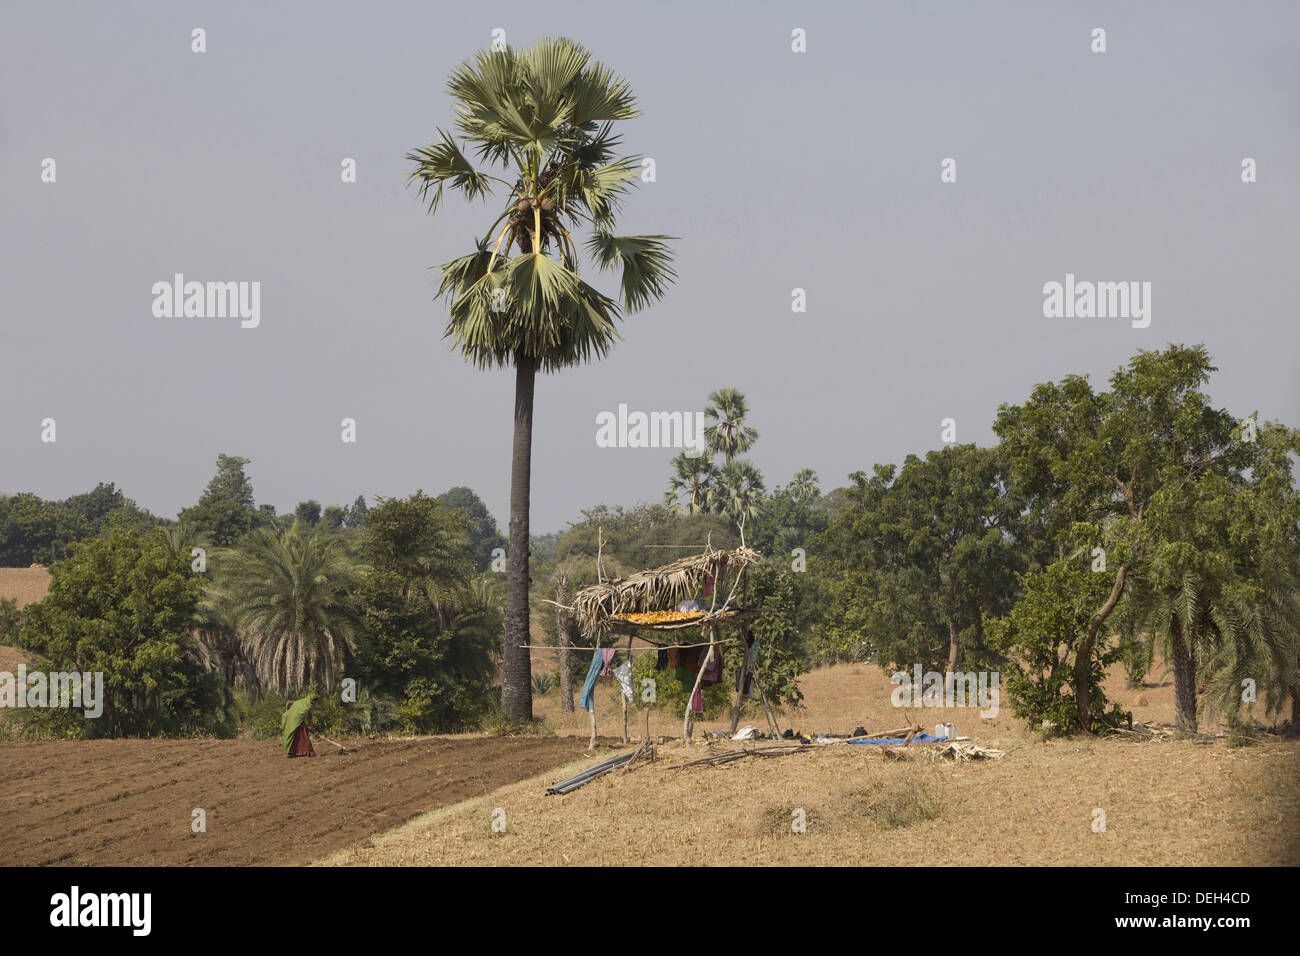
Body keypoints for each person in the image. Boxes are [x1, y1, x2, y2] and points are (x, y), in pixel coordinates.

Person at [281, 692, 318, 757]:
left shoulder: (300, 702)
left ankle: (292, 751)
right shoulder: (309, 706)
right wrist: (313, 730)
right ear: (312, 700)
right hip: (297, 722)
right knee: (302, 736)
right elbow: (310, 720)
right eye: (314, 701)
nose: (315, 703)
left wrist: (287, 711)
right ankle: (306, 751)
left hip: (292, 721)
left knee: (294, 736)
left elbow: (288, 702)